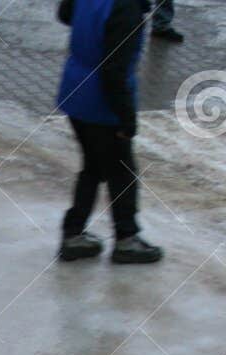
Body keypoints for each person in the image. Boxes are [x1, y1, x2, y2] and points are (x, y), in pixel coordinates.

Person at [54, 0, 163, 265]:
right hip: (101, 103)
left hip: (75, 88)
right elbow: (114, 69)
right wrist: (126, 118)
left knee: (92, 167)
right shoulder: (126, 8)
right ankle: (127, 240)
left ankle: (73, 234)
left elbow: (65, 14)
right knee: (122, 171)